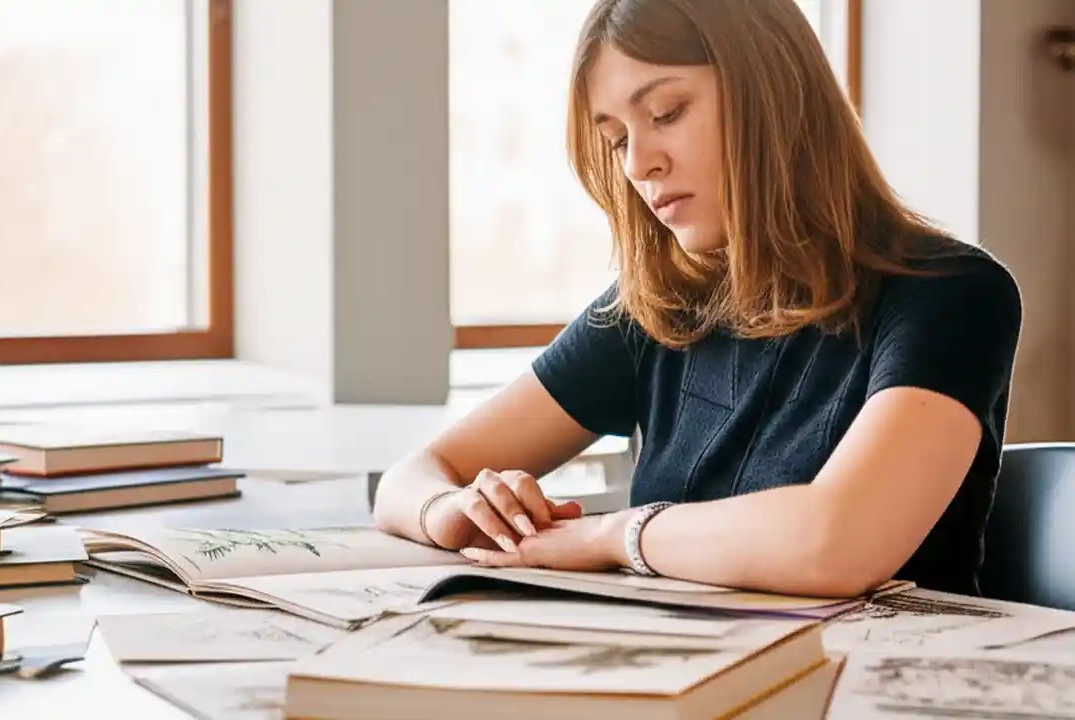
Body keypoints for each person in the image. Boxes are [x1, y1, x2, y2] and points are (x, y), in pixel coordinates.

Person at [372, 0, 1023, 599]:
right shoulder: (654, 307)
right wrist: (454, 512)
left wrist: (609, 537)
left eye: (666, 113)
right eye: (618, 138)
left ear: (776, 93)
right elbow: (414, 476)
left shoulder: (951, 295)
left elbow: (835, 543)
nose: (637, 166)